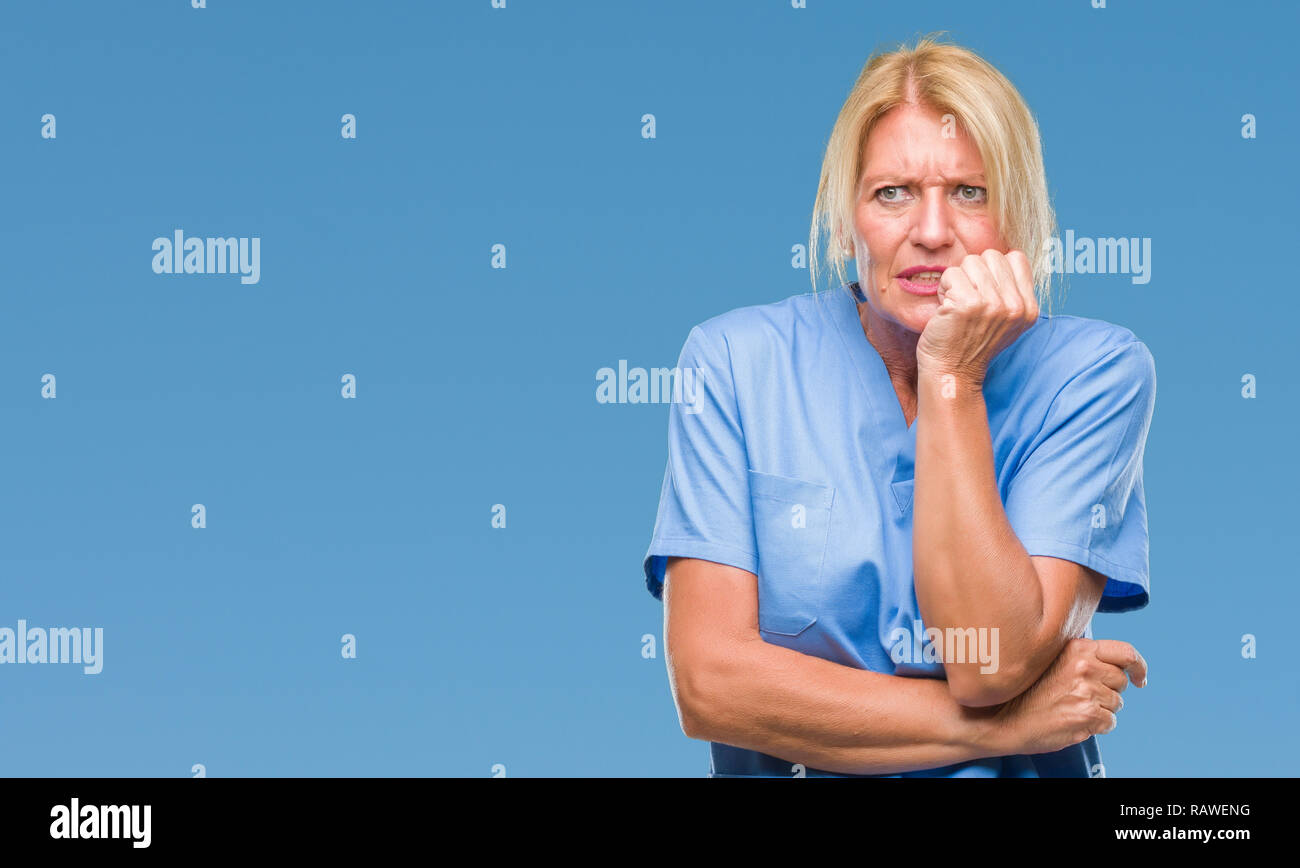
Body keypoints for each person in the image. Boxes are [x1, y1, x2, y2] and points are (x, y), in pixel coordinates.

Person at [641, 35, 1155, 777]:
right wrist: (998, 733)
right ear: (846, 216)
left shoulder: (1095, 373)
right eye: (893, 193)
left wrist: (952, 374)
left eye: (970, 193)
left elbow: (992, 661)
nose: (933, 233)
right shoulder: (733, 363)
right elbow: (711, 687)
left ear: (1020, 217)